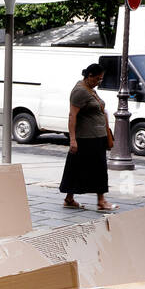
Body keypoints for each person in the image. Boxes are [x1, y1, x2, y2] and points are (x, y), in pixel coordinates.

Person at [60, 63, 117, 212]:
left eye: (101, 79)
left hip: (97, 137)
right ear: (89, 76)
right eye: (98, 79)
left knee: (87, 168)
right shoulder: (80, 91)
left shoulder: (90, 89)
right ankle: (101, 201)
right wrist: (72, 139)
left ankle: (69, 198)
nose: (99, 82)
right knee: (87, 169)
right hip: (86, 138)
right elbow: (72, 116)